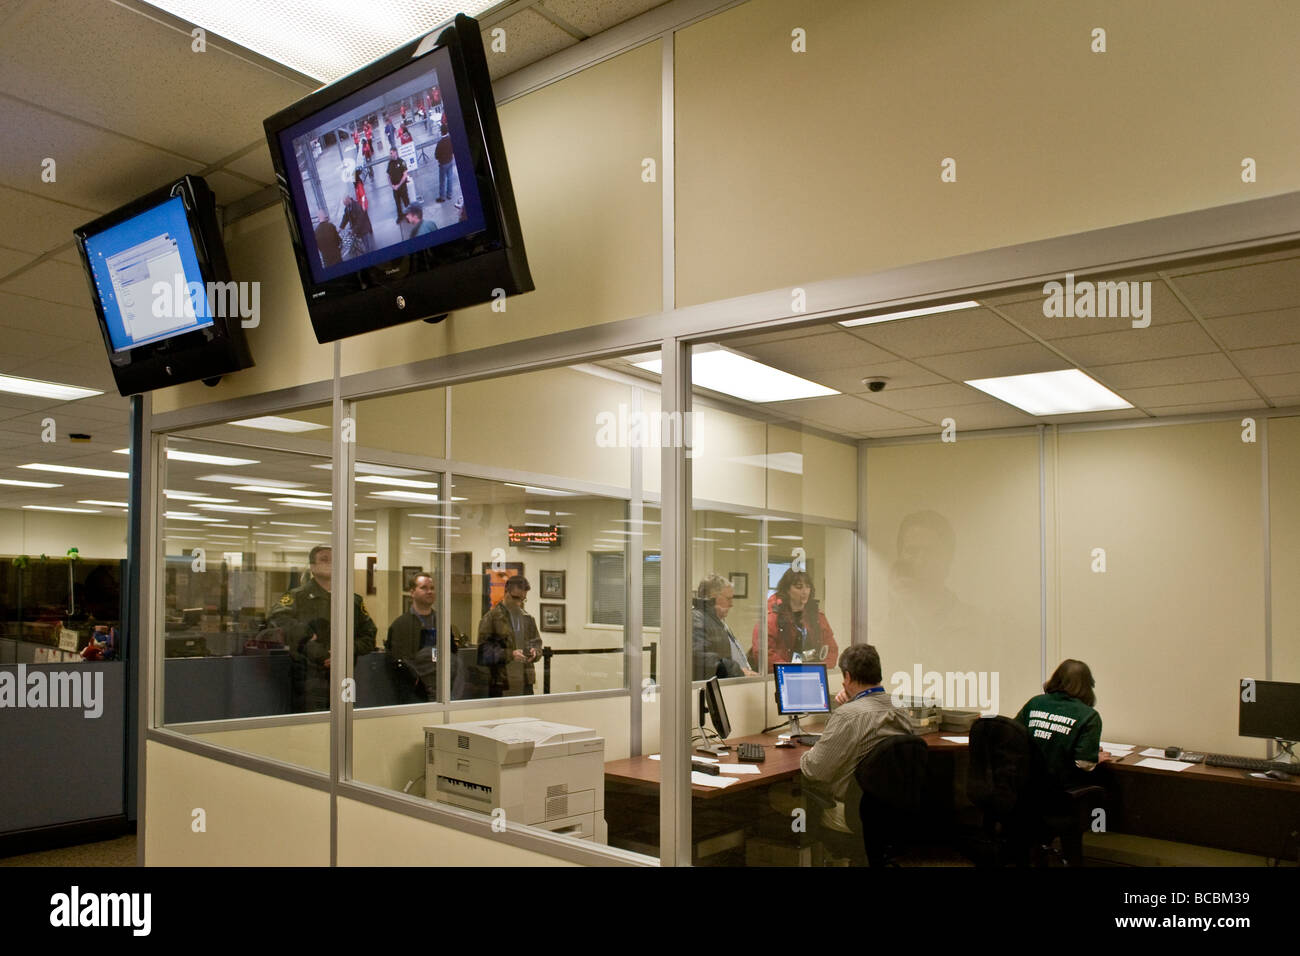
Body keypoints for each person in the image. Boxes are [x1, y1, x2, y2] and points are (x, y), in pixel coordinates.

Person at [800, 643, 914, 833]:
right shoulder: (900, 710)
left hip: (853, 815)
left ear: (848, 676)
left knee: (778, 797)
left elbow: (814, 771)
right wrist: (852, 703)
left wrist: (808, 752)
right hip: (892, 811)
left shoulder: (847, 716)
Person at [266, 545, 377, 712]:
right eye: (324, 559)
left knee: (346, 722)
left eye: (334, 560)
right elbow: (277, 620)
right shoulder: (297, 596)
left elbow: (369, 637)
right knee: (310, 726)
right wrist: (312, 643)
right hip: (308, 676)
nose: (330, 563)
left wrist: (345, 652)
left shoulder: (353, 601)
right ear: (312, 567)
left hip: (344, 677)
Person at [1015, 659, 1110, 790]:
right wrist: (1094, 757)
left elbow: (1013, 736)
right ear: (1088, 685)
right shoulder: (1089, 716)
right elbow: (1084, 764)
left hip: (1023, 786)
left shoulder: (1035, 702)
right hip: (1059, 791)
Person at [386, 572, 458, 700]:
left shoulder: (442, 622)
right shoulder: (400, 625)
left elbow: (452, 653)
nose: (429, 592)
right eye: (424, 588)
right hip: (414, 694)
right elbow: (399, 664)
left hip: (443, 691)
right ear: (412, 592)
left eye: (432, 588)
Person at [753, 568, 838, 670]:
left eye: (808, 587)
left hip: (813, 673)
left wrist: (821, 670)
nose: (805, 591)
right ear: (787, 590)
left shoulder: (817, 616)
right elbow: (764, 653)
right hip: (782, 675)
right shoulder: (772, 616)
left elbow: (831, 649)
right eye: (799, 587)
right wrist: (791, 671)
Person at [476, 575, 543, 698]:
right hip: (502, 683)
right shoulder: (491, 618)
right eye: (516, 598)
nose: (519, 603)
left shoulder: (527, 618)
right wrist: (511, 654)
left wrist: (535, 652)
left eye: (523, 599)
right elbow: (483, 653)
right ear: (505, 592)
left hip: (525, 680)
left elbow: (537, 643)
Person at [691, 573, 756, 680]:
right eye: (728, 599)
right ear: (713, 597)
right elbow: (699, 657)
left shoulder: (715, 620)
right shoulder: (696, 619)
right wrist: (736, 670)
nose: (731, 604)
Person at [339, 193, 373, 257]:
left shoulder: (357, 206)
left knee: (367, 246)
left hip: (363, 229)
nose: (345, 205)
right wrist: (341, 227)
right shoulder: (347, 207)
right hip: (357, 229)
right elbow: (345, 217)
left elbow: (360, 222)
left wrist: (353, 230)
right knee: (363, 245)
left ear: (348, 199)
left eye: (345, 203)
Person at [386, 147, 411, 223]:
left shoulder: (402, 162)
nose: (390, 154)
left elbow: (404, 175)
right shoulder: (390, 163)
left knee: (406, 202)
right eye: (390, 153)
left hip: (402, 187)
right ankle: (400, 216)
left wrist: (398, 185)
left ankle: (409, 216)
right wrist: (392, 186)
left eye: (391, 153)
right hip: (395, 188)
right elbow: (388, 176)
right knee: (397, 203)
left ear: (395, 152)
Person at [434, 122, 454, 202]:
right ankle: (449, 194)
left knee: (442, 181)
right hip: (450, 160)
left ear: (441, 131)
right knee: (450, 178)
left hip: (443, 164)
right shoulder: (450, 139)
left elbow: (436, 155)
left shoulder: (440, 143)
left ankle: (442, 197)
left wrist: (440, 159)